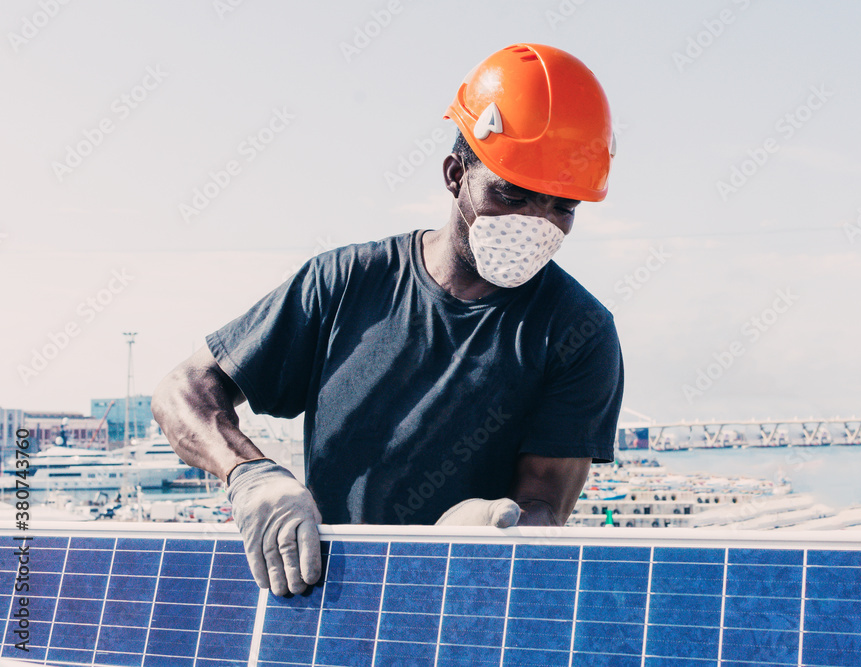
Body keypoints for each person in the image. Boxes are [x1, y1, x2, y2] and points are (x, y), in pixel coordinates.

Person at [151, 43, 624, 596]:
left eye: (561, 206)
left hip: (464, 605)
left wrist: (496, 529)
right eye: (512, 194)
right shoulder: (345, 282)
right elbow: (183, 390)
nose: (535, 223)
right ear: (455, 174)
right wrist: (249, 475)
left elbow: (545, 502)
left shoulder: (578, 331)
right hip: (325, 602)